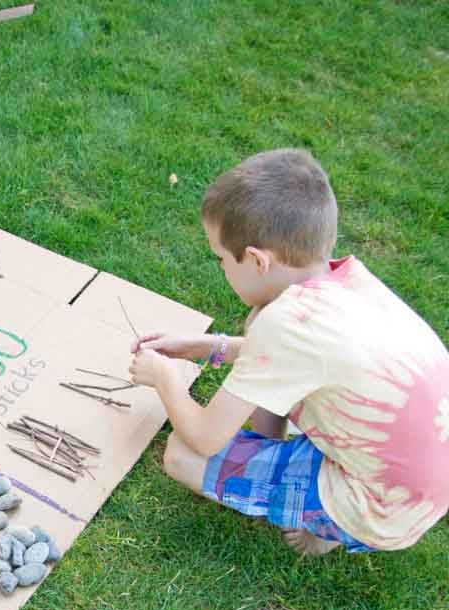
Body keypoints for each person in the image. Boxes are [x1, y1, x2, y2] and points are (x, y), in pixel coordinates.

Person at [128, 149, 448, 555]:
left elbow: (205, 438)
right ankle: (283, 465)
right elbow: (299, 354)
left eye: (221, 259)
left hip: (379, 508)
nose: (221, 267)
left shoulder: (284, 325)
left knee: (181, 455)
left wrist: (164, 378)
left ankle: (333, 523)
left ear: (257, 261)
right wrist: (207, 347)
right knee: (260, 324)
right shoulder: (346, 282)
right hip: (415, 482)